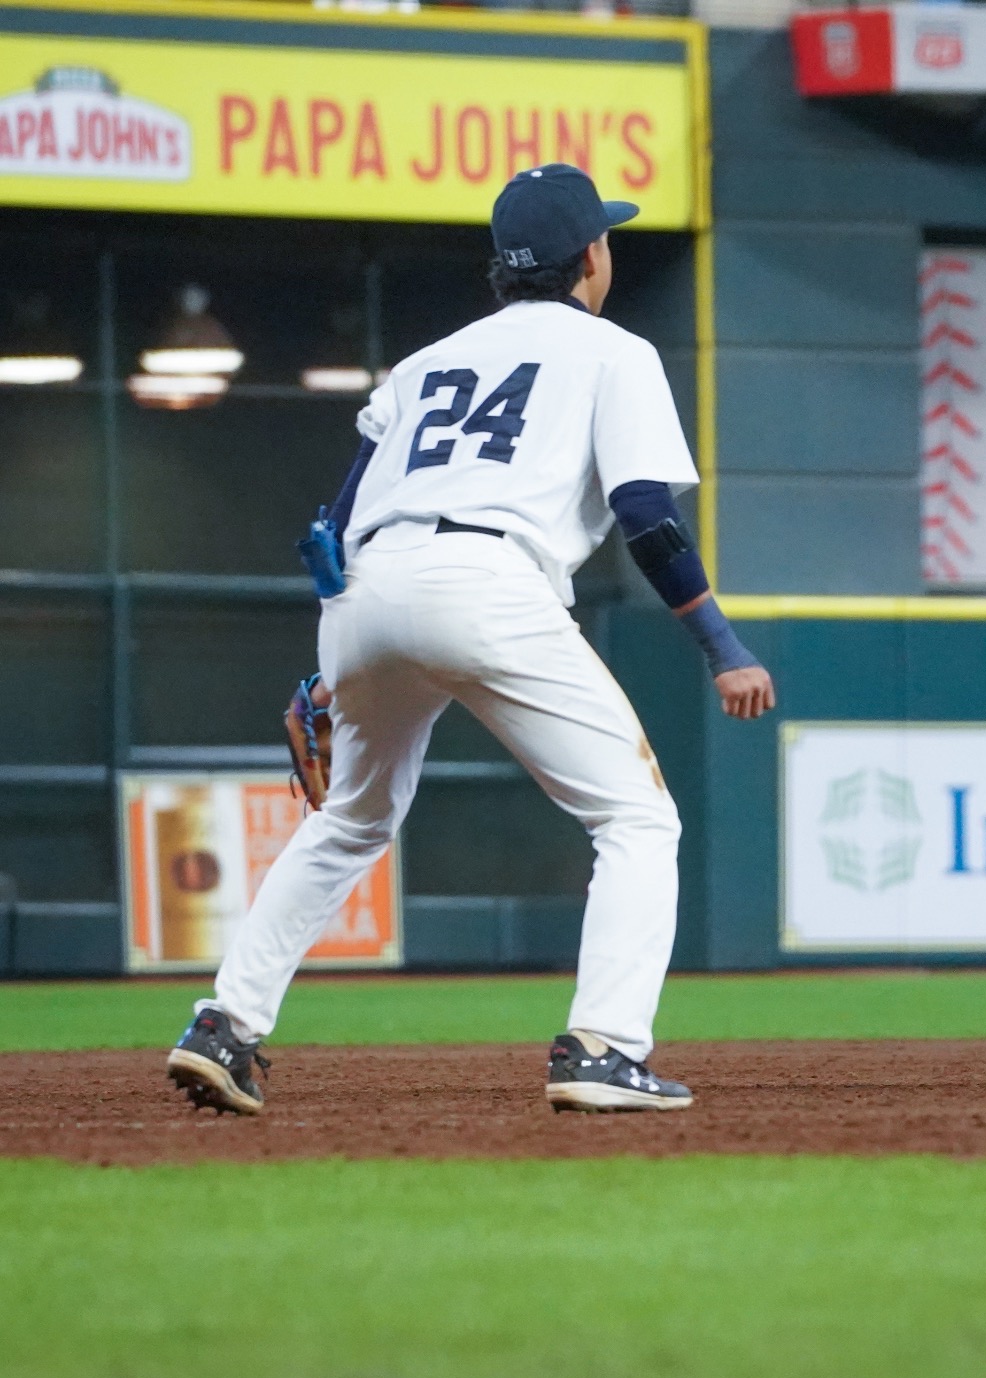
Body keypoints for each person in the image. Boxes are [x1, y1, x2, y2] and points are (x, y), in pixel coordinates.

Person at [166, 163, 773, 1115]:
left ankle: (225, 1027)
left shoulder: (424, 363)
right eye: (603, 239)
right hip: (490, 582)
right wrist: (722, 646)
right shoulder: (614, 353)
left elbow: (340, 516)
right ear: (589, 257)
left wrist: (327, 668)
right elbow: (647, 515)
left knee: (350, 822)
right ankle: (603, 1046)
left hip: (363, 591)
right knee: (638, 821)